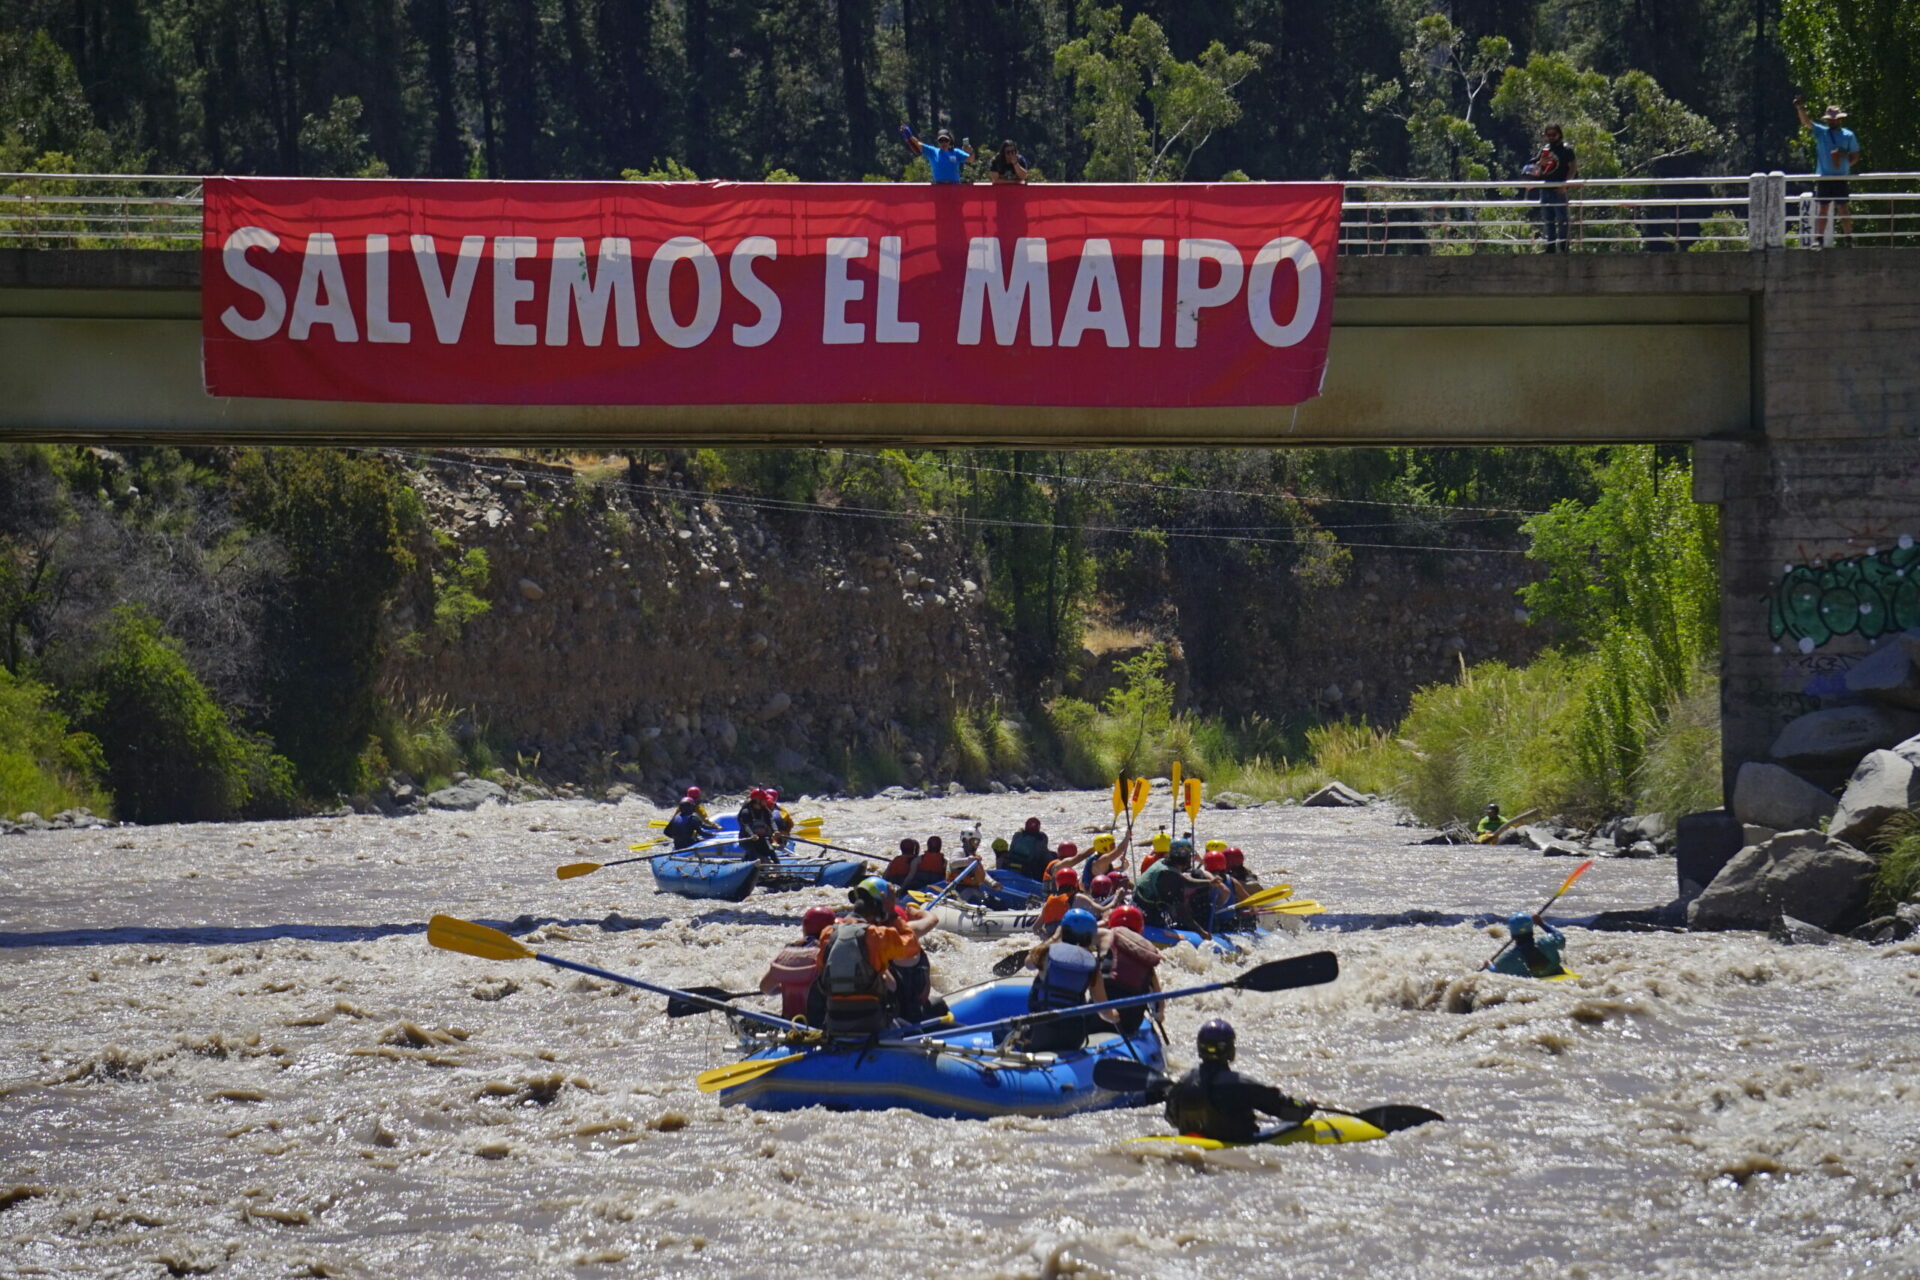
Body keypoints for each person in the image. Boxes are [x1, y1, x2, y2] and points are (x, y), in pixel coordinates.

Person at [809, 877, 928, 1036]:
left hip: (833, 1022)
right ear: (879, 908)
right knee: (916, 1031)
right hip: (871, 1025)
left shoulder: (828, 934)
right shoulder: (877, 936)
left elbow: (822, 971)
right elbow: (911, 946)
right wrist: (892, 914)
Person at [1164, 1020, 1314, 1143]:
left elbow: (1171, 1119)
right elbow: (1285, 1109)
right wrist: (1306, 1106)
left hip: (1193, 1143)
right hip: (1239, 1143)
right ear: (1230, 1050)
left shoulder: (1182, 1083)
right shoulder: (1242, 1084)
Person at [1020, 907, 1107, 1052]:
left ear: (1063, 930)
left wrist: (1054, 938)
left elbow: (1028, 964)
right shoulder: (1093, 964)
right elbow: (1103, 1008)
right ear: (1090, 937)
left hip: (1041, 1031)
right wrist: (1116, 1017)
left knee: (1000, 1032)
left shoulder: (1045, 953)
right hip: (1073, 1036)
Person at [1795, 96, 1860, 247]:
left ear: (1839, 120)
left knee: (1843, 208)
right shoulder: (1821, 132)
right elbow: (1807, 123)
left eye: (1834, 119)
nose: (1832, 121)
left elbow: (1855, 156)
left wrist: (1845, 161)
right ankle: (1819, 238)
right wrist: (1800, 108)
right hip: (1824, 177)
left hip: (1840, 177)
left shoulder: (1848, 135)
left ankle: (1848, 237)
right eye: (1830, 119)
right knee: (1823, 208)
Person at [760, 905, 837, 1019]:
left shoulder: (785, 954)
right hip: (817, 1025)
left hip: (789, 1025)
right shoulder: (827, 956)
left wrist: (786, 987)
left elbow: (765, 988)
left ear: (805, 928)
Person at [1099, 904, 1163, 1035]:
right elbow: (1158, 999)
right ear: (1140, 928)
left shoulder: (1106, 935)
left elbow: (1081, 931)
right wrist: (1159, 1015)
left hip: (1099, 1014)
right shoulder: (1146, 951)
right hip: (1130, 1022)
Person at [1526, 123, 1577, 253]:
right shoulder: (1545, 149)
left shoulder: (1566, 149)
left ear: (1559, 134)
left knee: (1562, 219)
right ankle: (1550, 246)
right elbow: (1534, 169)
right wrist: (1539, 163)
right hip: (1545, 188)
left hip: (1559, 188)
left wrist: (1566, 184)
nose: (1551, 138)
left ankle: (1563, 246)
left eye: (1553, 135)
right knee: (1548, 219)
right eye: (1548, 135)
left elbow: (1573, 168)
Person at [1490, 911, 1569, 978]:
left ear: (1512, 934)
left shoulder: (1508, 958)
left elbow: (1495, 972)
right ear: (1531, 928)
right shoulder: (1548, 942)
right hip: (1555, 973)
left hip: (1533, 981)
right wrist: (1541, 923)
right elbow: (1560, 937)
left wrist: (1489, 965)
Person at [1036, 866, 1100, 934]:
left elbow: (1035, 927)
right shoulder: (1078, 897)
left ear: (1057, 882)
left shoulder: (1049, 902)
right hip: (1069, 935)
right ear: (1075, 882)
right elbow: (1099, 910)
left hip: (1051, 935)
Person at [900, 124, 970, 184]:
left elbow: (971, 159)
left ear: (950, 141)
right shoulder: (933, 151)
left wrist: (971, 151)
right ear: (938, 142)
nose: (944, 143)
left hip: (955, 188)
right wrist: (909, 136)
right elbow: (918, 144)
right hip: (938, 188)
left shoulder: (956, 152)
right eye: (941, 141)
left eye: (946, 140)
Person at [736, 788, 783, 860]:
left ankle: (778, 868)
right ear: (757, 800)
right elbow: (746, 826)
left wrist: (775, 831)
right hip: (747, 839)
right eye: (764, 800)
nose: (766, 801)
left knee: (771, 851)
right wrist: (752, 835)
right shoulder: (746, 812)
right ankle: (751, 867)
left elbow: (771, 822)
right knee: (753, 853)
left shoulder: (765, 811)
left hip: (762, 839)